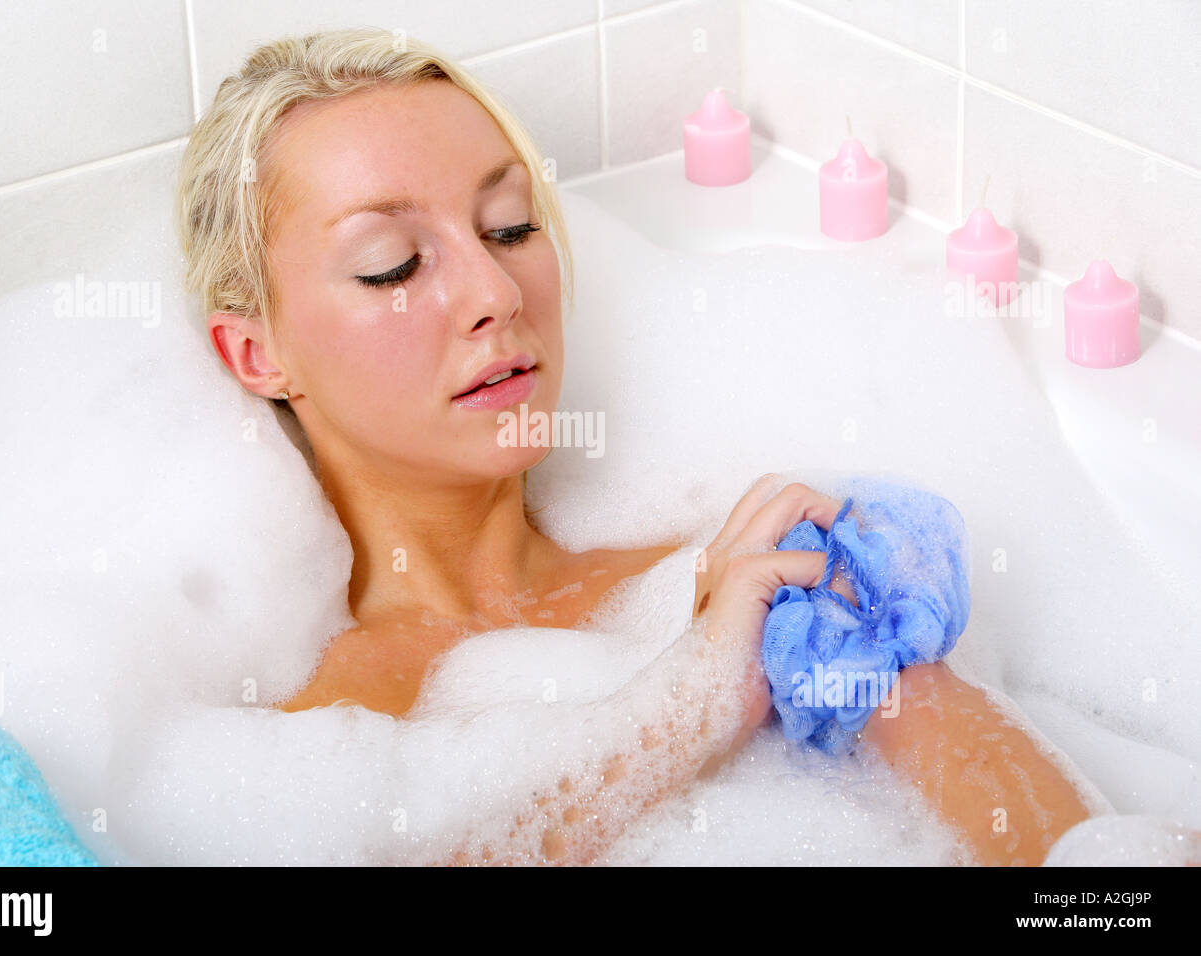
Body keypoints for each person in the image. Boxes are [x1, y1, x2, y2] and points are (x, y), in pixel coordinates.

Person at [176, 27, 1100, 865]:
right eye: (394, 264)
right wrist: (686, 715)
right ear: (258, 353)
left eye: (510, 227)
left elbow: (1083, 879)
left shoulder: (754, 578)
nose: (496, 290)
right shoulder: (294, 755)